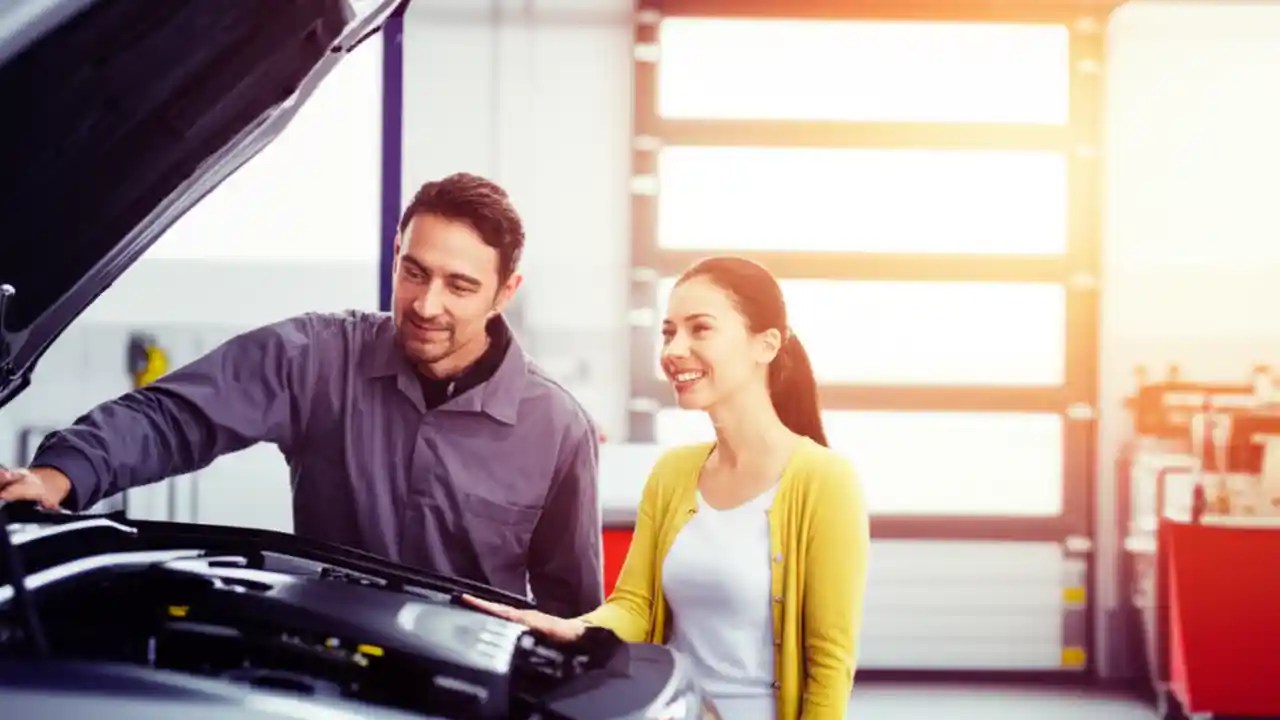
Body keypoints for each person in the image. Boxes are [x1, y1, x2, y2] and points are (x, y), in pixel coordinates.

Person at [0, 172, 605, 617]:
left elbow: (572, 613)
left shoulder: (557, 429)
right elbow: (175, 417)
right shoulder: (318, 357)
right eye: (414, 271)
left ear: (505, 292)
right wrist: (61, 474)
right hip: (325, 668)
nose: (426, 304)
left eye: (460, 286)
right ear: (396, 255)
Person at [465, 256, 870, 719]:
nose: (674, 350)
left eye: (701, 329)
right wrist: (573, 628)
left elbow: (830, 665)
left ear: (766, 344)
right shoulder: (673, 473)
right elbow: (635, 607)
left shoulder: (826, 482)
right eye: (668, 332)